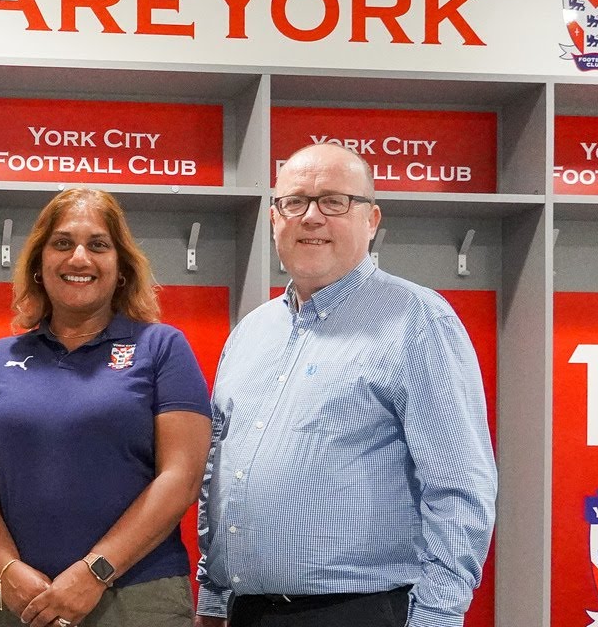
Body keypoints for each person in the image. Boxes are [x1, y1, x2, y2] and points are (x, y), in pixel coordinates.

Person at [195, 143, 497, 627]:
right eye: (294, 202)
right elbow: (220, 474)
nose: (311, 217)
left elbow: (459, 486)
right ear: (275, 218)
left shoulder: (417, 320)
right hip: (247, 612)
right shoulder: (250, 332)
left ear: (371, 219)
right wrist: (212, 597)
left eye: (334, 201)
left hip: (360, 611)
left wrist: (437, 617)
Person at [0, 187, 212, 627]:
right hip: (22, 602)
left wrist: (95, 570)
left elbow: (182, 478)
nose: (79, 258)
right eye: (62, 243)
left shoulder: (161, 347)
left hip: (137, 597)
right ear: (39, 265)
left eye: (98, 244)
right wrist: (7, 573)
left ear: (121, 268)